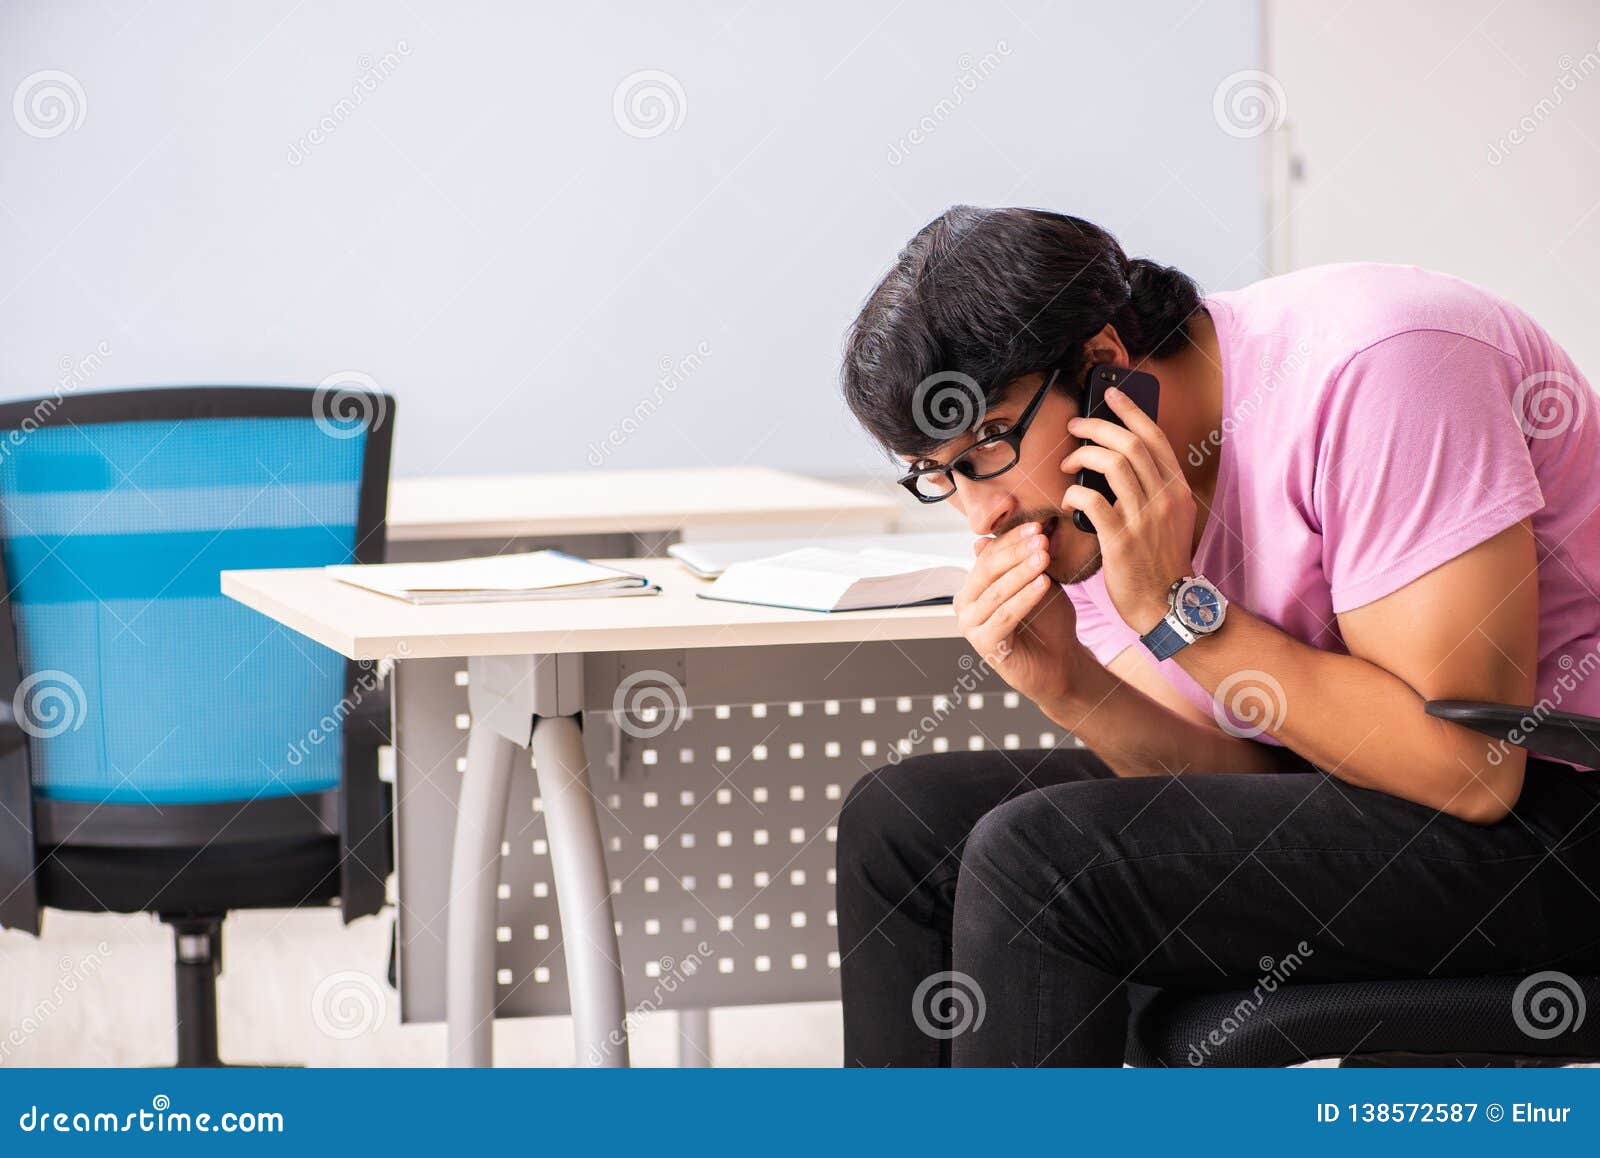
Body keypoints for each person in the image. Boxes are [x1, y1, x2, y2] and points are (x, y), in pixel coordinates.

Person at [834, 205, 1600, 1066]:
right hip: (1375, 793)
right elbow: (1247, 777)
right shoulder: (1087, 497)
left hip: (1560, 807)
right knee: (901, 824)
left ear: (1101, 368)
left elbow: (1465, 771)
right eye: (941, 477)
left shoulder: (1383, 364)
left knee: (1042, 863)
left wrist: (1175, 608)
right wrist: (1072, 685)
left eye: (987, 448)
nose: (983, 513)